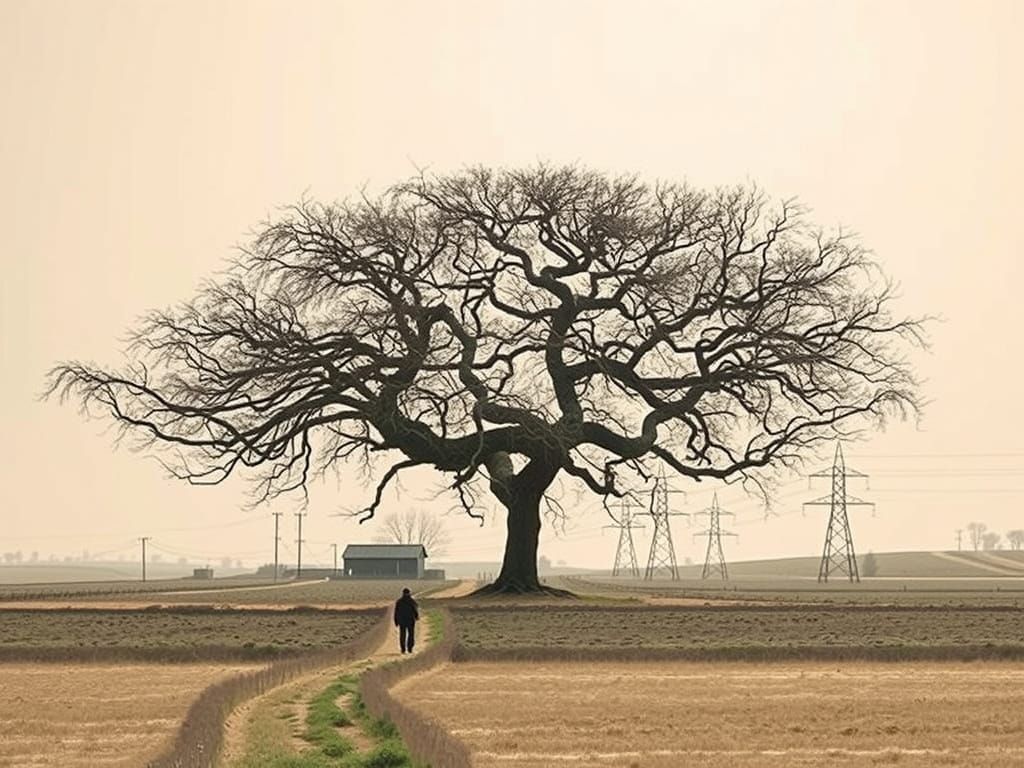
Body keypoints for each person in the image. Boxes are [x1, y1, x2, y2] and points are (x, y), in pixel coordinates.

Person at [393, 587, 419, 654]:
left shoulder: (399, 601)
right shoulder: (412, 601)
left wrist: (396, 621)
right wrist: (416, 616)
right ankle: (410, 648)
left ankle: (403, 649)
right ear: (409, 593)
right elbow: (415, 609)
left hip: (402, 621)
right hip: (410, 620)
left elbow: (396, 612)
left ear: (403, 593)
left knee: (402, 635)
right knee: (411, 634)